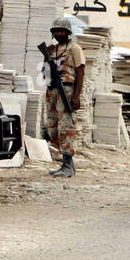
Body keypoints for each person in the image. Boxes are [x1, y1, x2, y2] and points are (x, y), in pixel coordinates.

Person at [44, 16, 86, 178]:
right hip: (52, 91)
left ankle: (68, 165)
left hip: (66, 91)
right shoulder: (52, 50)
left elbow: (81, 72)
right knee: (52, 128)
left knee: (66, 128)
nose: (59, 33)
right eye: (56, 31)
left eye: (62, 31)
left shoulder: (74, 48)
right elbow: (45, 73)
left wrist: (76, 96)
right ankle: (65, 163)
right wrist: (46, 57)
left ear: (68, 33)